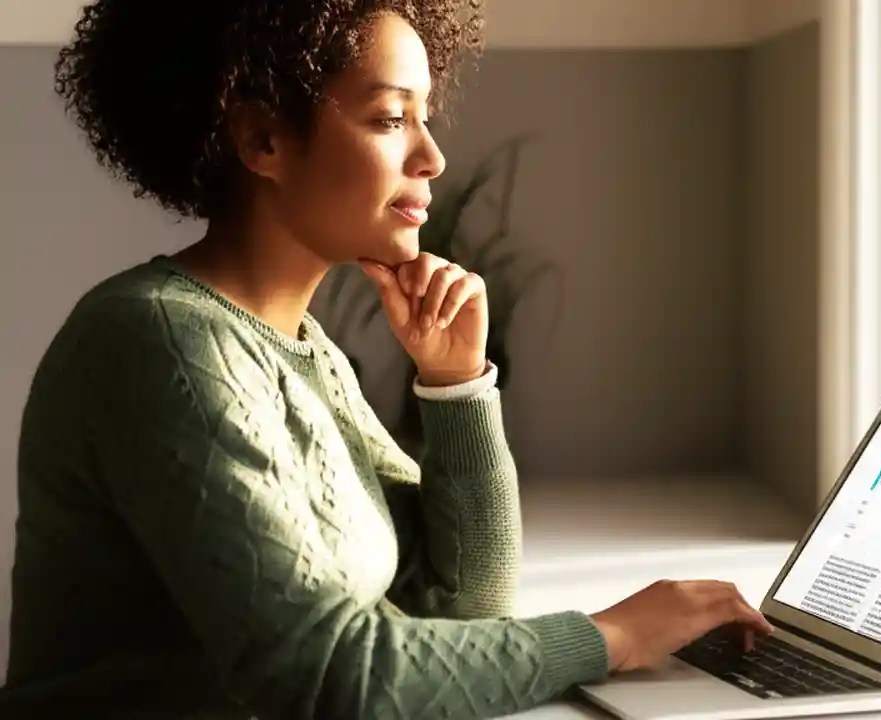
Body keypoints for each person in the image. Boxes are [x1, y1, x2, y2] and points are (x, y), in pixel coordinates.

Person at [0, 2, 772, 718]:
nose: (431, 157)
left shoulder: (301, 347)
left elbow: (464, 601)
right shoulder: (162, 343)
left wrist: (456, 385)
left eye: (425, 118)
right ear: (262, 139)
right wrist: (612, 637)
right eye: (390, 118)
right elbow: (331, 675)